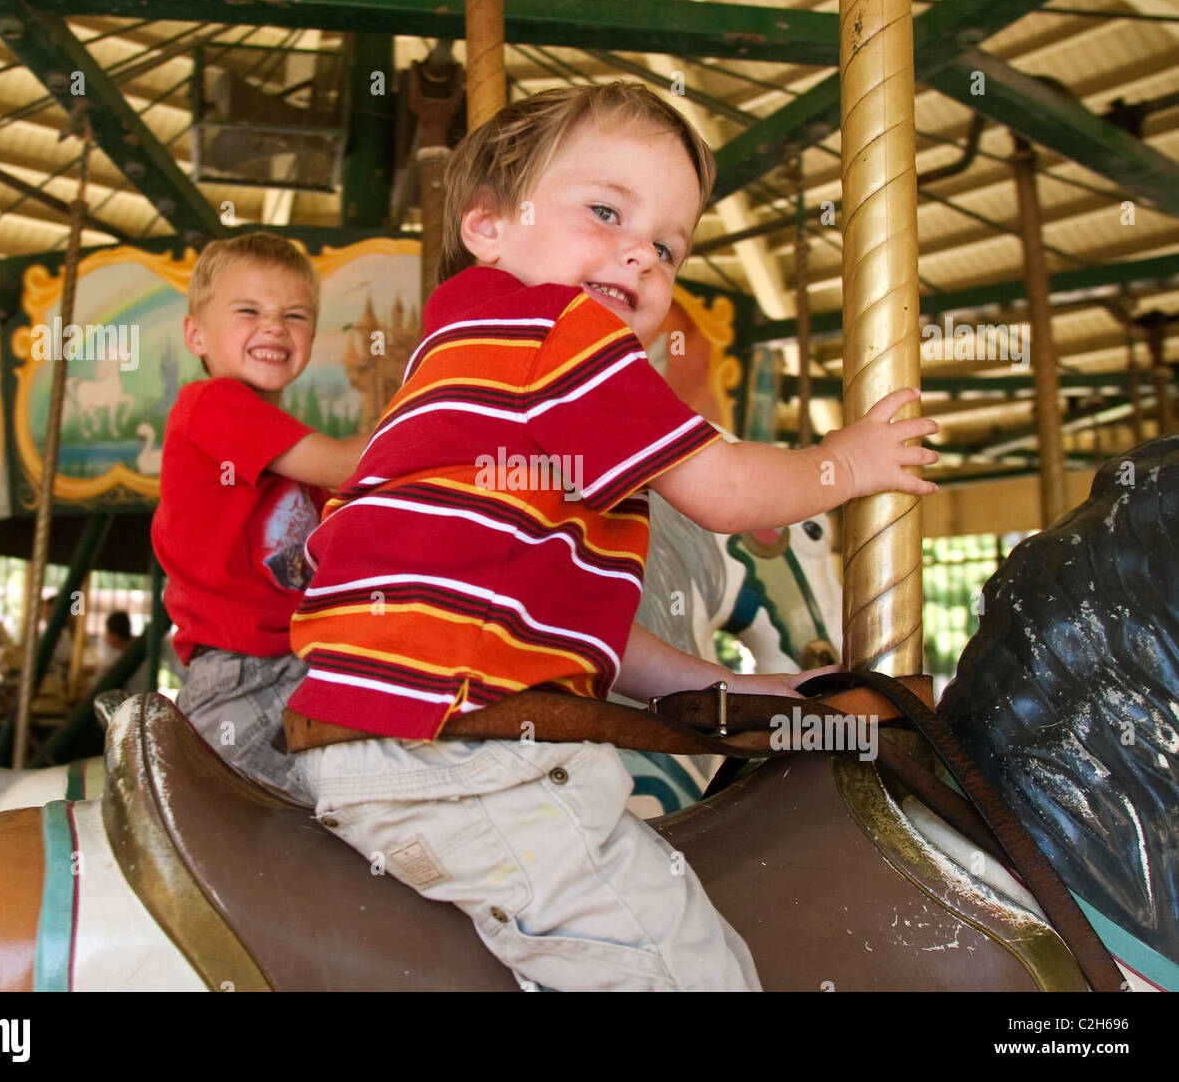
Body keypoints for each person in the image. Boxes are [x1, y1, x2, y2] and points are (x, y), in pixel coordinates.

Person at [284, 83, 940, 991]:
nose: (639, 252)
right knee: (682, 968)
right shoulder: (558, 331)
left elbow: (562, 625)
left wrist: (735, 686)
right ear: (487, 226)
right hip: (460, 754)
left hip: (392, 744)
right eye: (604, 211)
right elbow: (723, 492)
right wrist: (845, 461)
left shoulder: (459, 359)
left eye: (668, 248)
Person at [151, 232, 365, 796]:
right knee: (344, 804)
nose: (274, 326)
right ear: (195, 333)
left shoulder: (289, 453)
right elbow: (350, 465)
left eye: (294, 315)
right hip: (245, 675)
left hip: (291, 661)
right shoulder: (213, 404)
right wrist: (450, 423)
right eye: (249, 310)